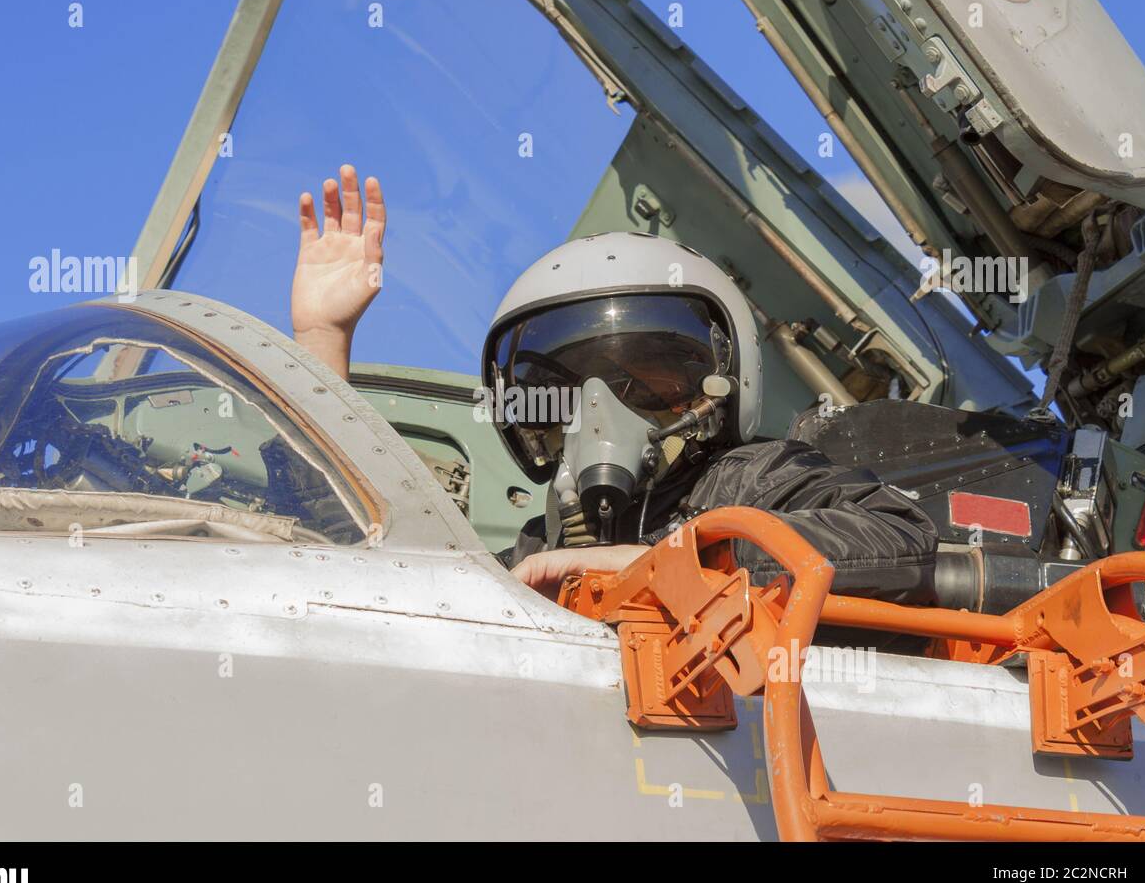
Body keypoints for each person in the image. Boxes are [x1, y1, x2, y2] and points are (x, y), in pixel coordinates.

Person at [291, 166, 938, 602]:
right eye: (568, 394)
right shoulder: (538, 547)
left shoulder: (754, 479)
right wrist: (323, 339)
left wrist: (664, 561)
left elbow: (901, 539)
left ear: (717, 387)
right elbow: (361, 571)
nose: (599, 414)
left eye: (643, 384)